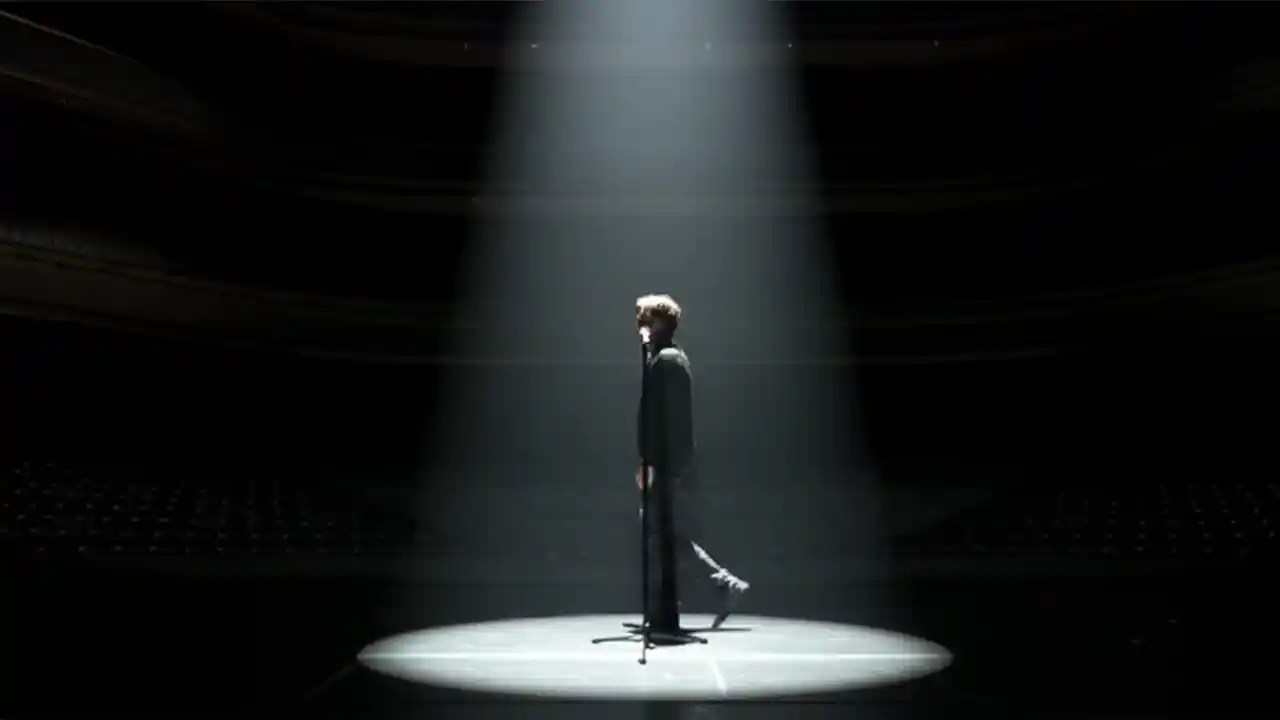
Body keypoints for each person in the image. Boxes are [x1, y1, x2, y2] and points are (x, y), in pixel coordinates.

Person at [635, 294, 749, 633]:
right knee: (662, 533)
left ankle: (717, 585)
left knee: (661, 533)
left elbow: (674, 421)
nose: (641, 327)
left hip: (666, 464)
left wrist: (660, 465)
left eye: (646, 320)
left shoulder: (667, 360)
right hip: (663, 463)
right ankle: (716, 585)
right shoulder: (663, 358)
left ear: (661, 322)